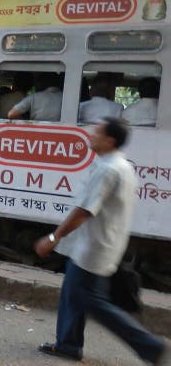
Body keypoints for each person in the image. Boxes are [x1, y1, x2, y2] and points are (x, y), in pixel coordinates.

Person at [34, 118, 167, 364]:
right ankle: (68, 344)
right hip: (99, 245)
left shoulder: (108, 169)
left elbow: (84, 210)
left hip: (92, 249)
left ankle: (151, 345)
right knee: (73, 294)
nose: (91, 136)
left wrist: (53, 237)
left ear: (110, 140)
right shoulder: (120, 166)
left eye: (97, 132)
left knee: (93, 302)